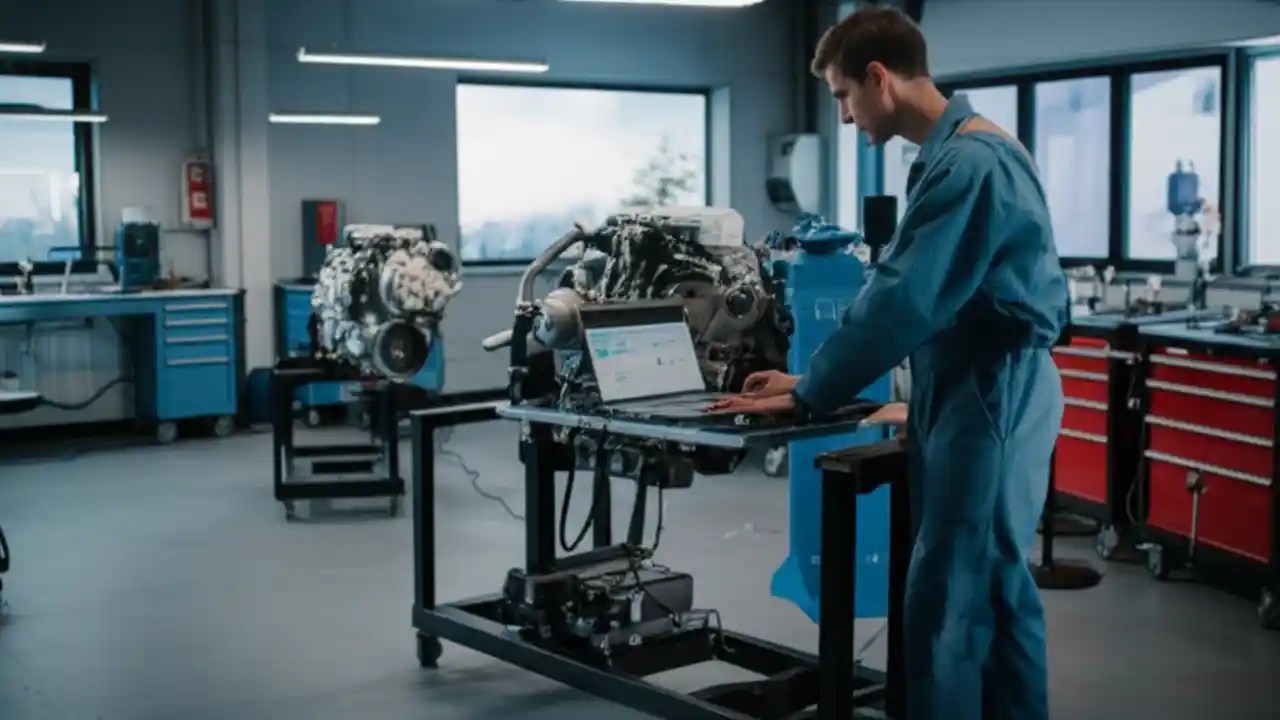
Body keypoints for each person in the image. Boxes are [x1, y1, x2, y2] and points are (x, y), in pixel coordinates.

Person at [708, 7, 1067, 720]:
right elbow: (912, 290)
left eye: (843, 95)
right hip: (974, 382)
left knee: (954, 594)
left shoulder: (968, 164)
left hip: (989, 389)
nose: (843, 117)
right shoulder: (958, 151)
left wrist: (812, 393)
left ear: (879, 78)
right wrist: (824, 382)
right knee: (993, 585)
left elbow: (905, 300)